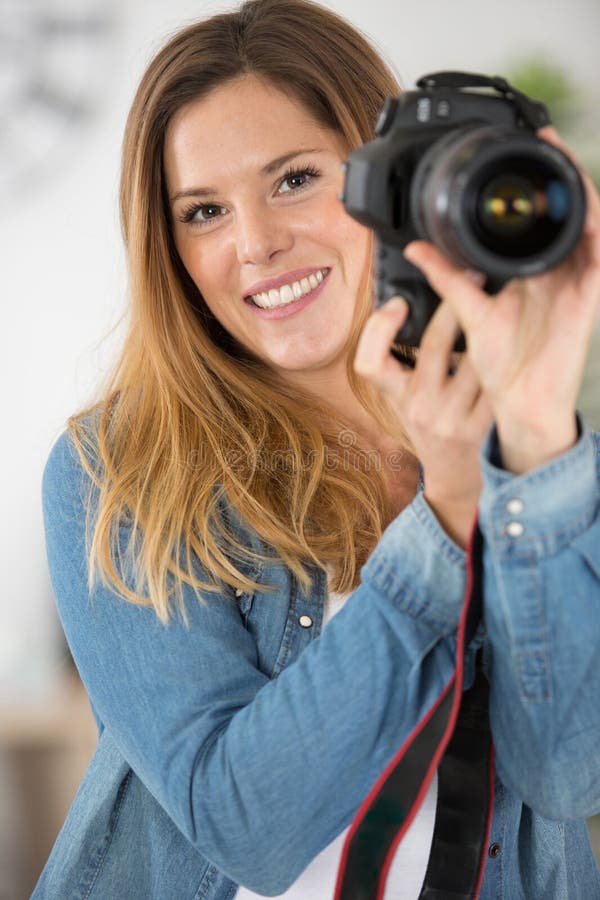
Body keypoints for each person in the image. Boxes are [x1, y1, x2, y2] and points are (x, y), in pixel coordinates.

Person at [34, 0, 600, 897]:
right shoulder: (119, 470)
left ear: (390, 183)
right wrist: (444, 520)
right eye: (205, 210)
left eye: (295, 178)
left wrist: (535, 440)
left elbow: (571, 774)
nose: (255, 243)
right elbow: (245, 828)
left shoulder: (538, 451)